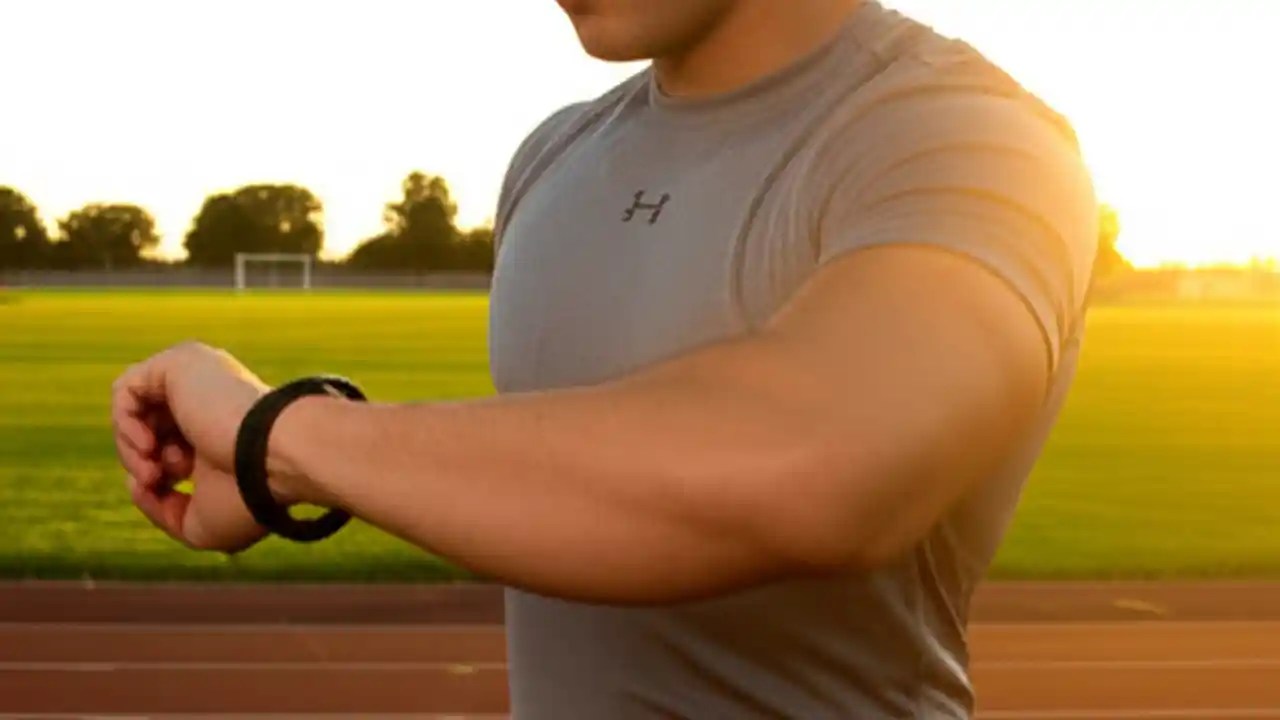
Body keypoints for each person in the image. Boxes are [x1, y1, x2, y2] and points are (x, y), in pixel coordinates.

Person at [110, 0, 1098, 717]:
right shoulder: (554, 155)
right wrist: (278, 461)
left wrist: (283, 441)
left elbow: (820, 465)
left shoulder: (964, 134)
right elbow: (579, 466)